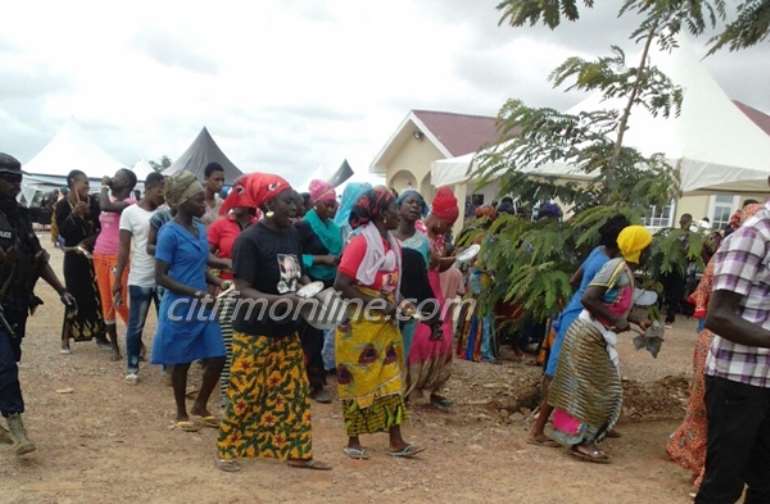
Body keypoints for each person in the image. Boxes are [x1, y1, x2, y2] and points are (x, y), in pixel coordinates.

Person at [216, 173, 331, 472]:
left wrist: (310, 289)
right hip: (254, 330)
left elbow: (296, 274)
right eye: (287, 201)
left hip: (286, 329)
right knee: (245, 391)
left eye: (295, 200)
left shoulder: (292, 234)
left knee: (293, 393)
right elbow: (243, 288)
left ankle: (298, 453)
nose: (295, 207)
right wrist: (280, 301)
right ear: (268, 204)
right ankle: (227, 451)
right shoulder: (249, 240)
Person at [548, 225, 653, 463]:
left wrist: (637, 319)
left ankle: (579, 438)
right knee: (604, 390)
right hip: (588, 334)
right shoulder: (616, 268)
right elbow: (589, 298)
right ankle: (582, 442)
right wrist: (616, 320)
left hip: (595, 334)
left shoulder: (624, 270)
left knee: (595, 388)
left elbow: (612, 302)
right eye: (648, 247)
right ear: (639, 249)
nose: (650, 252)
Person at [334, 186, 422, 460]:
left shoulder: (391, 243)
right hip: (359, 326)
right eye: (394, 208)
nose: (399, 213)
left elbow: (390, 286)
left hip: (385, 324)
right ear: (382, 213)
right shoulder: (361, 242)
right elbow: (341, 284)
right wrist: (376, 304)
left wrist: (402, 303)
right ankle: (353, 440)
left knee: (391, 380)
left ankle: (396, 441)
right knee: (358, 381)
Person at [528, 215, 628, 446]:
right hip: (583, 318)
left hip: (572, 312)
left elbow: (575, 280)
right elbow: (597, 298)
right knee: (562, 373)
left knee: (582, 371)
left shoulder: (597, 252)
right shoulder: (609, 265)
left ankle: (592, 421)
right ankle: (538, 429)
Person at [694, 201, 770, 503]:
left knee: (766, 484)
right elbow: (719, 315)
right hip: (739, 381)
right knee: (723, 485)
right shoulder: (755, 235)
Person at [0, 154, 76, 455]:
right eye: (9, 179)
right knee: (5, 365)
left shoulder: (19, 215)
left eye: (18, 179)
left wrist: (61, 290)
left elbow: (38, 258)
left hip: (16, 303)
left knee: (9, 359)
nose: (15, 185)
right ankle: (16, 424)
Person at [151, 172, 225, 432]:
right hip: (180, 306)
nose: (204, 204)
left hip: (202, 305)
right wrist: (196, 293)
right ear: (182, 202)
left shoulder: (200, 229)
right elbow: (161, 276)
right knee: (181, 361)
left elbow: (200, 265)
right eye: (198, 199)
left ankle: (200, 405)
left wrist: (218, 279)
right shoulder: (169, 233)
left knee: (218, 356)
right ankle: (181, 412)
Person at [394, 189, 454, 409]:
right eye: (409, 202)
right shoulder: (387, 236)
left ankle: (401, 394)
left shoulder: (422, 242)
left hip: (412, 303)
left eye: (418, 203)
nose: (414, 206)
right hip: (387, 301)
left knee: (405, 348)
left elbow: (427, 274)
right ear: (398, 206)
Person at [113, 172, 166, 384]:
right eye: (160, 190)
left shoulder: (165, 213)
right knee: (136, 325)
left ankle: (167, 366)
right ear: (149, 188)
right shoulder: (130, 213)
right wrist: (118, 280)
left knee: (165, 324)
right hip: (140, 278)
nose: (163, 195)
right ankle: (132, 367)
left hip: (163, 279)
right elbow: (124, 248)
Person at [295, 180, 341, 404]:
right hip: (309, 281)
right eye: (327, 204)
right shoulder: (305, 226)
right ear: (316, 203)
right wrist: (321, 259)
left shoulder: (334, 227)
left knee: (324, 331)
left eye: (334, 204)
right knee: (311, 334)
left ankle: (314, 376)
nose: (332, 209)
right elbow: (295, 257)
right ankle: (314, 383)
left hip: (330, 282)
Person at [208, 201, 257, 404]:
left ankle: (247, 394)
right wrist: (224, 263)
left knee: (250, 344)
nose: (236, 202)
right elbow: (205, 255)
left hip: (254, 291)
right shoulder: (220, 225)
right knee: (228, 344)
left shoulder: (259, 226)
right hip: (228, 287)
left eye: (242, 198)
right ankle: (227, 396)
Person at [55, 170, 108, 355]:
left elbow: (102, 229)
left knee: (98, 295)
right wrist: (75, 214)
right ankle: (65, 338)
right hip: (73, 258)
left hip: (93, 255)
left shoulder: (93, 202)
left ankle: (101, 336)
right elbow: (63, 232)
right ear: (72, 182)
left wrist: (89, 240)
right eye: (83, 182)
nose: (87, 186)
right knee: (74, 295)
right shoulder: (62, 205)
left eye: (87, 183)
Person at [93, 168, 138, 361]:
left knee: (118, 302)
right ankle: (115, 347)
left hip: (117, 257)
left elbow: (105, 206)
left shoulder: (130, 204)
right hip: (99, 254)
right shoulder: (110, 199)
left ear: (127, 183)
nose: (113, 178)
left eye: (118, 176)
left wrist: (104, 185)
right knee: (106, 301)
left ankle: (137, 341)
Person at [662, 213, 692, 326]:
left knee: (676, 293)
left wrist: (682, 251)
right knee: (668, 291)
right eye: (682, 222)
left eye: (686, 222)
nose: (684, 224)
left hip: (681, 269)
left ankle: (670, 316)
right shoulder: (674, 234)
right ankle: (667, 311)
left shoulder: (692, 237)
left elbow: (692, 255)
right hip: (670, 266)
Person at [201, 162, 225, 228]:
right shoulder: (197, 203)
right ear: (206, 179)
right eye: (217, 179)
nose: (221, 184)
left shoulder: (222, 204)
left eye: (222, 180)